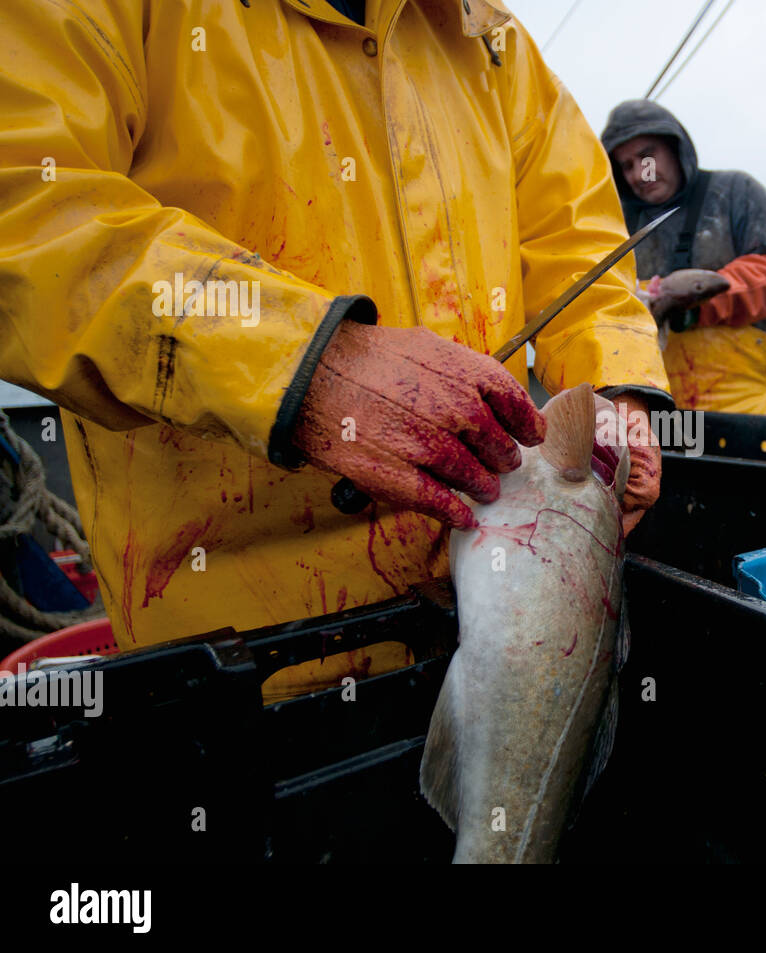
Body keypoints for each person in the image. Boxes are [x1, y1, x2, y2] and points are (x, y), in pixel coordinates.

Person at [0, 1, 672, 698]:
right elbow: (26, 210)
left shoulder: (491, 38)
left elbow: (579, 244)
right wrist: (300, 365)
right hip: (245, 669)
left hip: (488, 617)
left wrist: (615, 389)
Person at [601, 100, 766, 415]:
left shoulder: (736, 192)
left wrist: (691, 302)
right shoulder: (614, 222)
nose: (639, 173)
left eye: (647, 156)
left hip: (740, 409)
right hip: (653, 412)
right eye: (626, 166)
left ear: (675, 148)